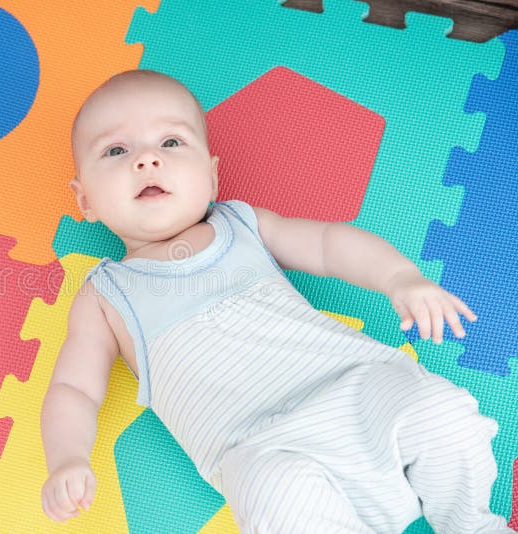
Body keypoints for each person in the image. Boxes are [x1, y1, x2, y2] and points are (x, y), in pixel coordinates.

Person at [40, 69, 512, 533]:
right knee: (274, 496)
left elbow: (329, 245)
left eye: (171, 143)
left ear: (211, 175)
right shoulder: (105, 296)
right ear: (85, 202)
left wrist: (401, 278)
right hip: (261, 450)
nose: (146, 160)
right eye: (116, 150)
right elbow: (74, 390)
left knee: (437, 412)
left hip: (355, 389)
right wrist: (67, 458)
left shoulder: (242, 227)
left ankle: (470, 523)